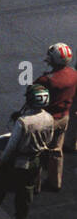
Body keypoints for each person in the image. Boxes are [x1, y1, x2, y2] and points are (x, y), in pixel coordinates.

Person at [0, 83, 56, 219]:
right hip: (35, 161)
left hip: (17, 161)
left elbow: (12, 145)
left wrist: (3, 160)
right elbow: (49, 139)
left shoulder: (23, 122)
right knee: (25, 194)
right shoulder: (49, 118)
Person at [36, 43, 76, 191]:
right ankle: (55, 182)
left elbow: (34, 99)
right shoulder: (74, 74)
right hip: (63, 117)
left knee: (38, 151)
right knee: (56, 150)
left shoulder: (46, 80)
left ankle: (35, 184)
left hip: (47, 120)